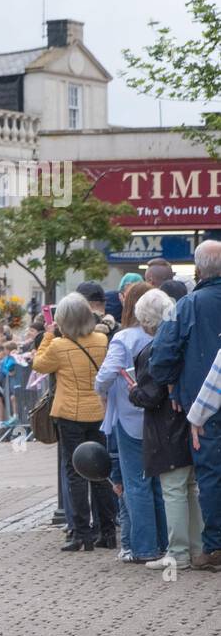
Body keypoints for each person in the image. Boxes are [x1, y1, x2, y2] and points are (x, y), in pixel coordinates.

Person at [151, 239, 221, 570]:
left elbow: (162, 355)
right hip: (202, 402)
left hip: (205, 407)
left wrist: (173, 385)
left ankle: (215, 547)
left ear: (198, 271)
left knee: (211, 475)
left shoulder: (188, 306)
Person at [32, 293, 115, 552]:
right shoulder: (102, 341)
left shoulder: (58, 346)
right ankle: (108, 532)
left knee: (75, 472)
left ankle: (81, 534)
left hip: (70, 415)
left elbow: (39, 364)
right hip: (99, 414)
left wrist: (47, 334)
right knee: (101, 471)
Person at [129, 289, 203, 572]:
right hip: (190, 421)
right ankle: (198, 547)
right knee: (191, 488)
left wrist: (133, 392)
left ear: (147, 320)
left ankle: (179, 552)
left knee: (172, 489)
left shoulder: (155, 349)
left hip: (165, 427)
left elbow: (150, 395)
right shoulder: (185, 342)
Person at [94, 281, 164, 563]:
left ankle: (144, 547)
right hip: (157, 418)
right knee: (157, 482)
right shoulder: (162, 336)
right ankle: (163, 542)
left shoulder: (125, 339)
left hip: (129, 416)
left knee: (136, 483)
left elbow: (105, 376)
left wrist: (102, 393)